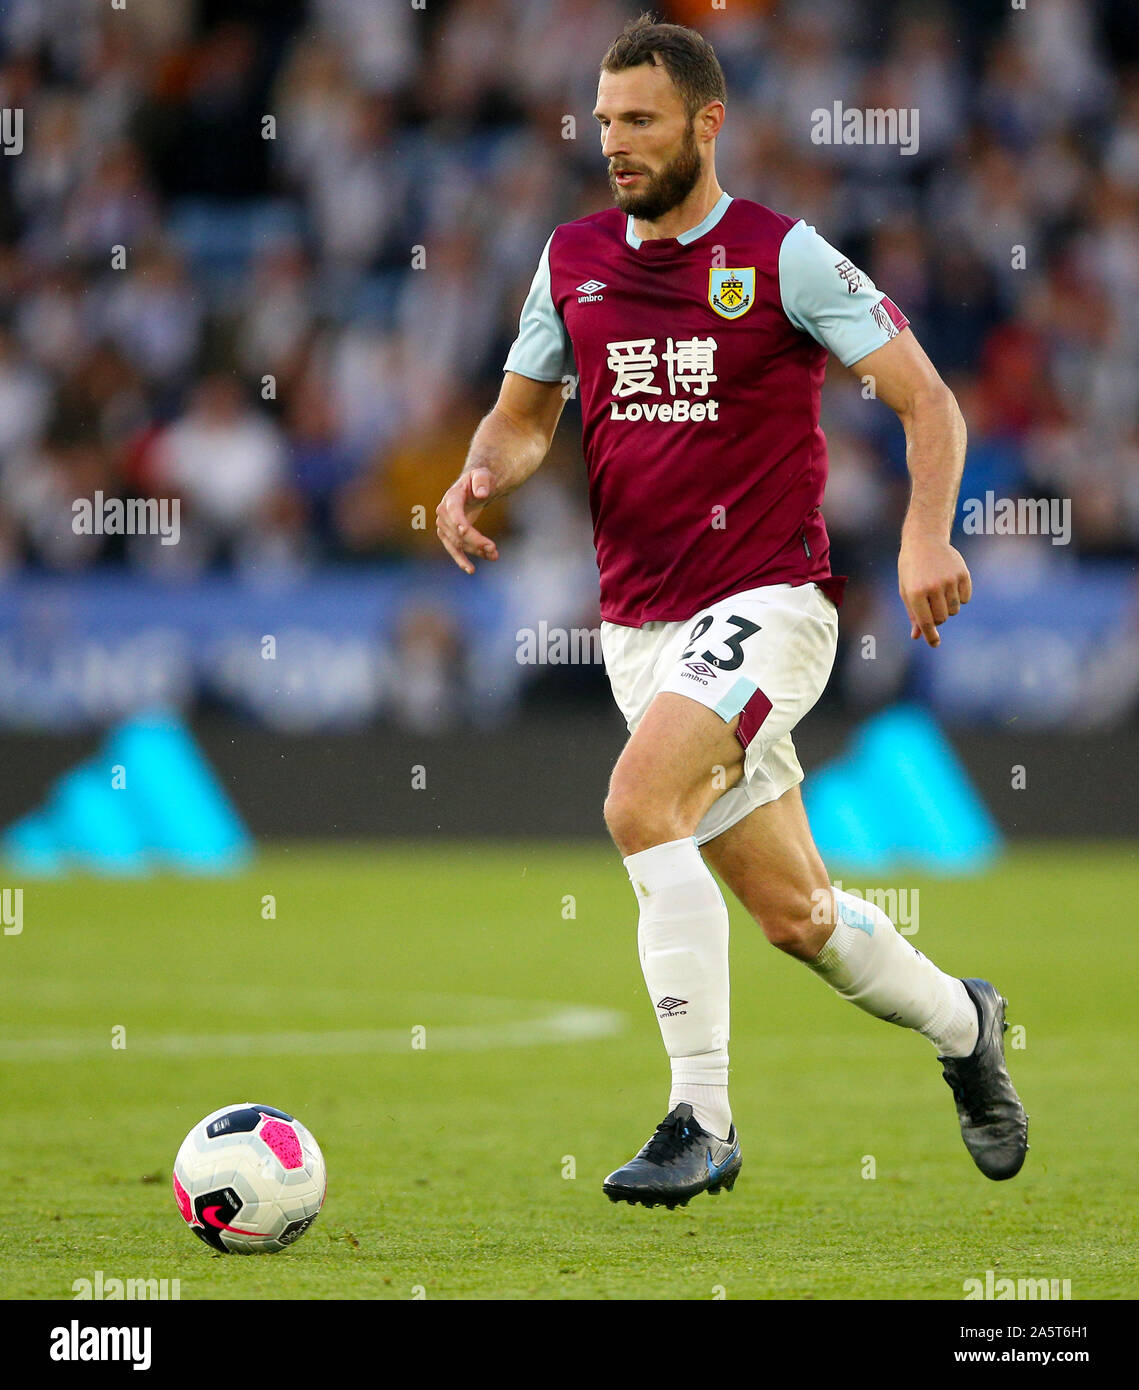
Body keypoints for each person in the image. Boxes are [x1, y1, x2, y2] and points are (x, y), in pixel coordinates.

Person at [435, 15, 1027, 1209]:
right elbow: (521, 411)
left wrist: (921, 538)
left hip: (768, 600)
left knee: (636, 802)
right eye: (604, 122)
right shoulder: (571, 261)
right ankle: (964, 1026)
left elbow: (928, 404)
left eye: (639, 120)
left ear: (708, 123)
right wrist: (480, 469)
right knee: (797, 914)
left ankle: (698, 1120)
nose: (615, 143)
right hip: (639, 628)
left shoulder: (781, 256)